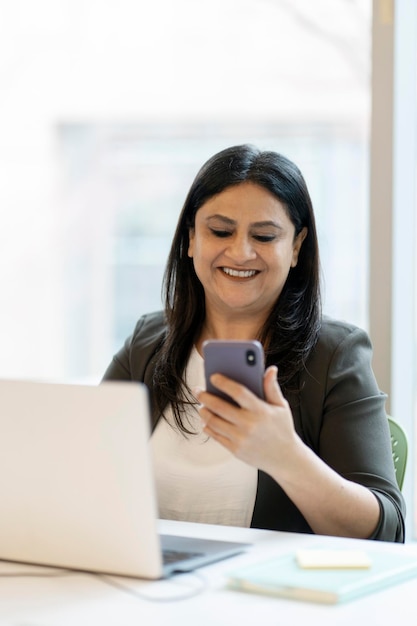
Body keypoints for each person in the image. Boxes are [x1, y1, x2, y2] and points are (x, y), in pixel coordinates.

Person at [103, 144, 405, 542]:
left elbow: (386, 530)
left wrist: (286, 456)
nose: (241, 252)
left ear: (296, 247)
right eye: (220, 231)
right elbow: (84, 471)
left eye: (264, 236)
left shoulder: (336, 356)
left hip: (267, 600)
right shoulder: (147, 345)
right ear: (191, 239)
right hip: (144, 591)